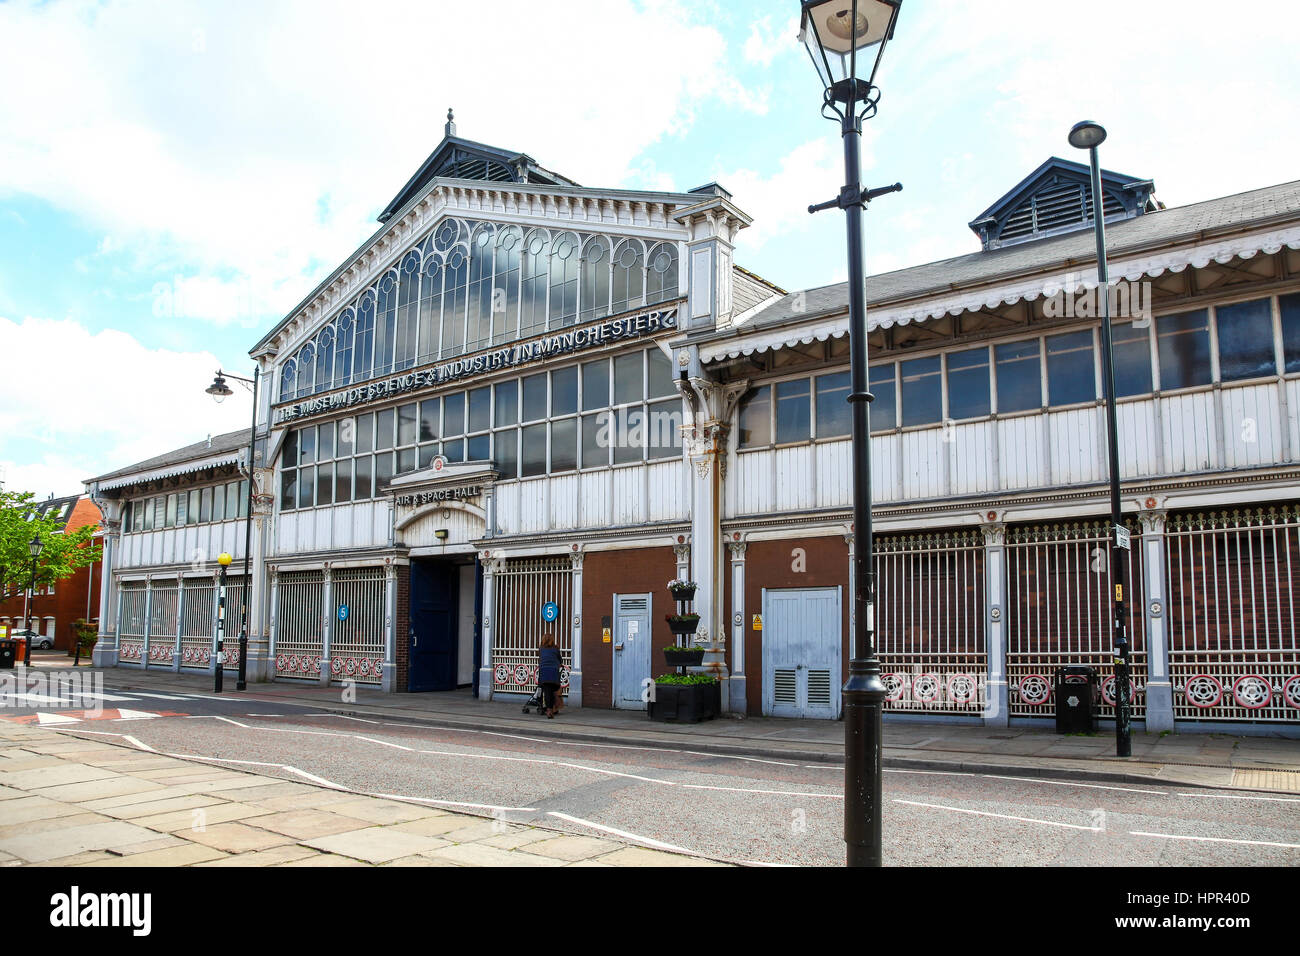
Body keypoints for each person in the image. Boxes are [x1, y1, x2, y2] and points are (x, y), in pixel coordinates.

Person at [537, 634, 563, 718]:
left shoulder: (541, 649)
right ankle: (552, 709)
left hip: (544, 672)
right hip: (553, 672)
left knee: (547, 692)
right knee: (552, 691)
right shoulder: (556, 649)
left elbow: (540, 660)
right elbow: (560, 660)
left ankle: (549, 710)